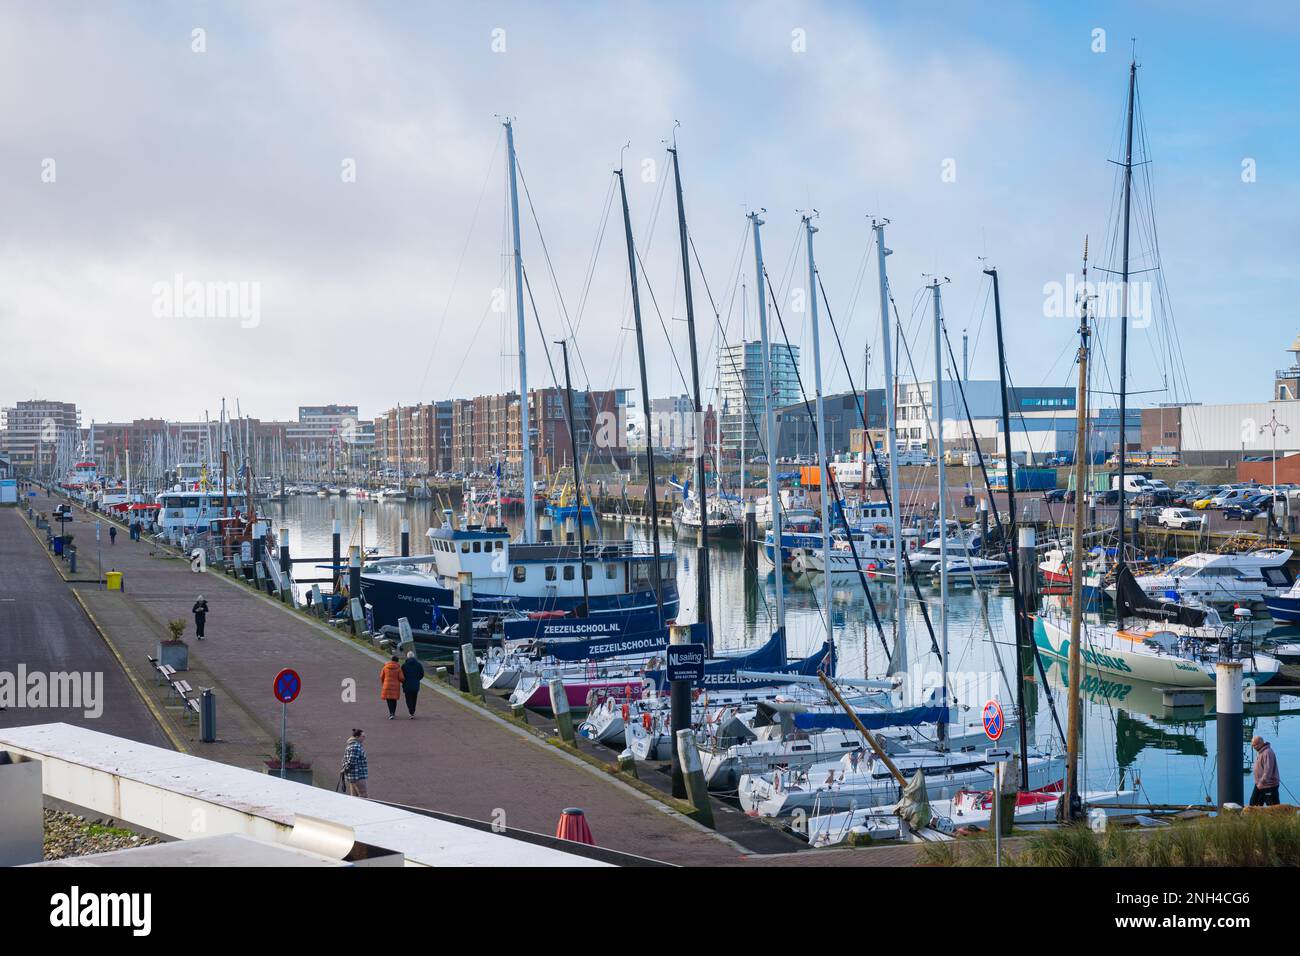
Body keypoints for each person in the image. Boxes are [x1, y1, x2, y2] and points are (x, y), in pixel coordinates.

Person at [1250, 735, 1280, 806]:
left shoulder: (1267, 753)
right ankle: (1256, 817)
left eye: (1254, 745)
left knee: (1273, 806)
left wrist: (1261, 783)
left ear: (1261, 743)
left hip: (1269, 785)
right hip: (1260, 784)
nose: (1253, 747)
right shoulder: (1260, 752)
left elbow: (1268, 771)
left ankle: (1278, 817)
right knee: (1254, 804)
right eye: (1252, 745)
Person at [341, 729, 368, 798]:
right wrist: (345, 769)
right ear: (357, 736)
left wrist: (344, 770)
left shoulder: (350, 745)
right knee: (363, 796)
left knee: (354, 797)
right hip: (358, 775)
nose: (364, 738)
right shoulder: (356, 746)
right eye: (363, 736)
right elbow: (352, 762)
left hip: (352, 776)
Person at [400, 650, 425, 719]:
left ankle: (410, 711)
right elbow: (422, 674)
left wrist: (403, 681)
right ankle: (413, 711)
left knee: (408, 699)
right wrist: (417, 679)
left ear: (407, 657)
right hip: (415, 685)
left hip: (407, 685)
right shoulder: (419, 665)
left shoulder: (404, 666)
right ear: (413, 657)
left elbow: (401, 676)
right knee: (414, 698)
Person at [380, 655, 402, 719]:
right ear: (397, 661)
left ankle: (391, 713)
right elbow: (401, 678)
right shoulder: (398, 668)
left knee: (389, 699)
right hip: (395, 686)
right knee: (394, 699)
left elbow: (381, 676)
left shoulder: (385, 667)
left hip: (386, 685)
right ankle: (393, 712)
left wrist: (383, 683)